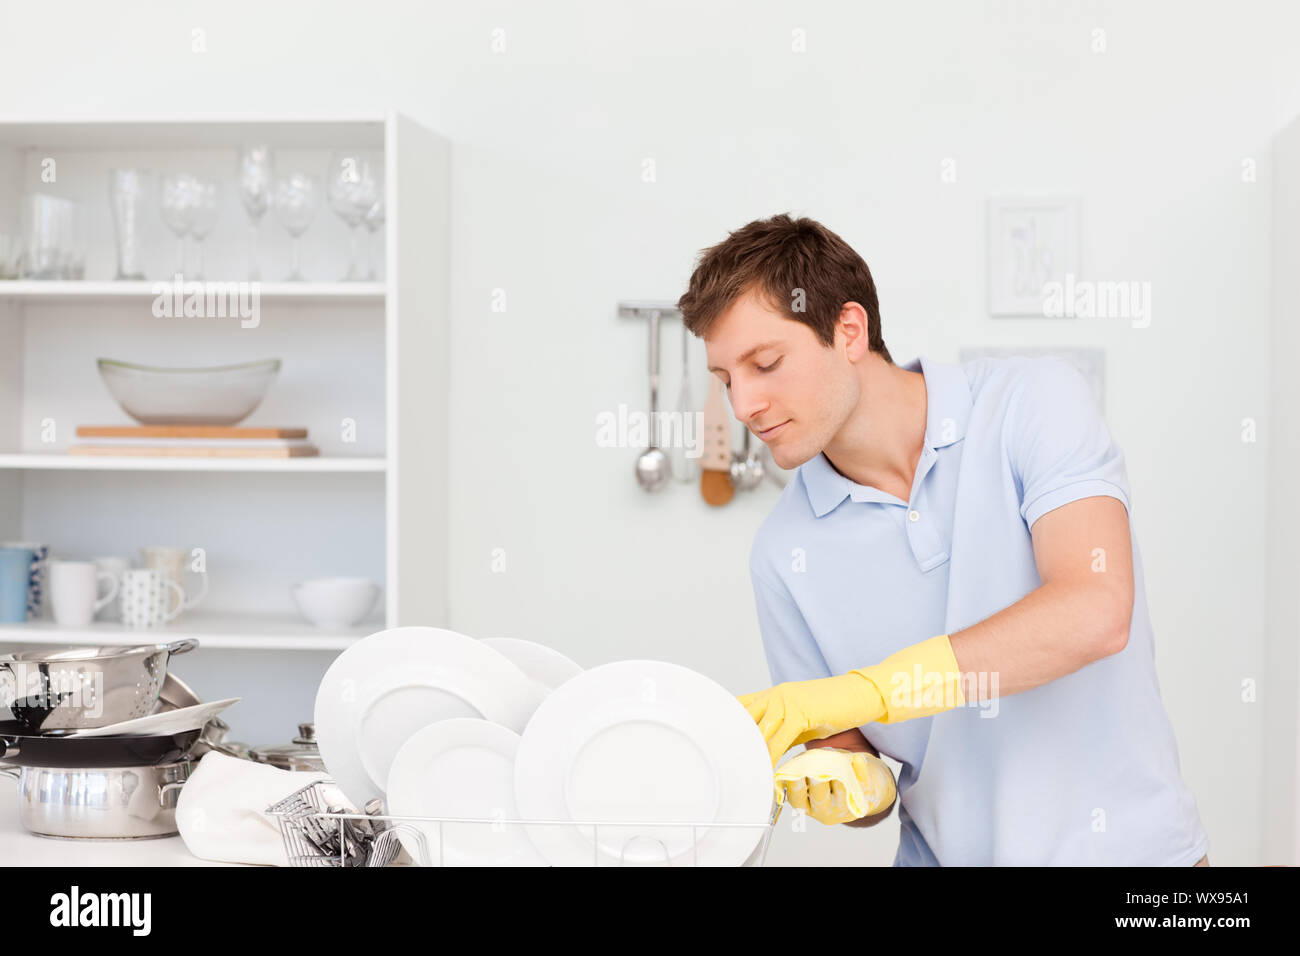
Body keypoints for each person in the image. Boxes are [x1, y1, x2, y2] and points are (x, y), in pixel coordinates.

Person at [676, 214, 1210, 866]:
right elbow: (856, 771)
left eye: (765, 364)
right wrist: (846, 782)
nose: (744, 405)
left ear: (849, 331)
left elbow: (1094, 610)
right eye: (727, 379)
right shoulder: (783, 554)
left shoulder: (1032, 404)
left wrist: (870, 691)